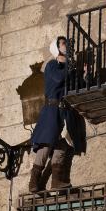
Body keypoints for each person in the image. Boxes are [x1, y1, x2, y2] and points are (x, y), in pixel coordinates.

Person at [27, 36, 88, 194]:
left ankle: (57, 181)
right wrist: (71, 65)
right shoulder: (52, 65)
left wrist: (84, 75)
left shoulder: (69, 69)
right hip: (52, 111)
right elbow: (59, 78)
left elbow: (79, 87)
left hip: (66, 113)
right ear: (56, 48)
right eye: (63, 43)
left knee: (64, 145)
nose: (67, 45)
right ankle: (34, 181)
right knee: (46, 145)